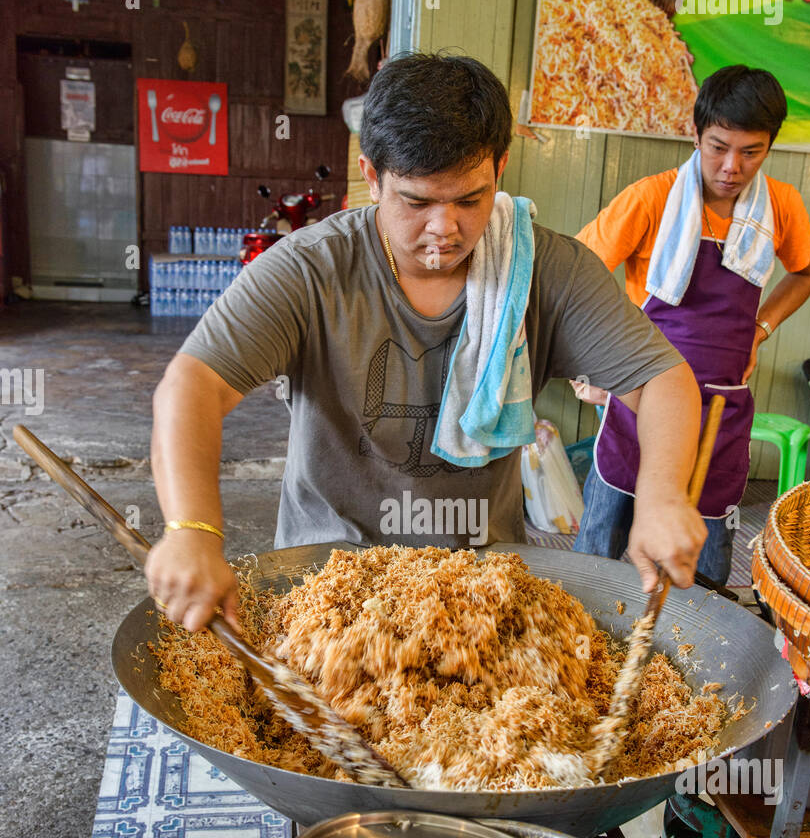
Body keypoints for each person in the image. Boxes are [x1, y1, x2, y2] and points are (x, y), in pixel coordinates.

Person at [146, 52, 704, 634]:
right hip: (328, 589)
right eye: (416, 202)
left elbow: (662, 379)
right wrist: (192, 531)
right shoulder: (312, 269)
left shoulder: (544, 269)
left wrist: (663, 494)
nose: (445, 228)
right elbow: (193, 384)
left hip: (478, 592)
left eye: (470, 199)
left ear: (501, 167)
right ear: (371, 175)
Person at [573, 65, 810, 586]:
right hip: (640, 404)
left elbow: (806, 272)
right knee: (596, 554)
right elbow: (576, 272)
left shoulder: (780, 207)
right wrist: (593, 360)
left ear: (769, 146)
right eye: (718, 147)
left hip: (719, 412)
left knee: (704, 571)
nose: (732, 167)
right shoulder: (652, 199)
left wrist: (762, 327)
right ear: (696, 134)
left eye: (750, 152)